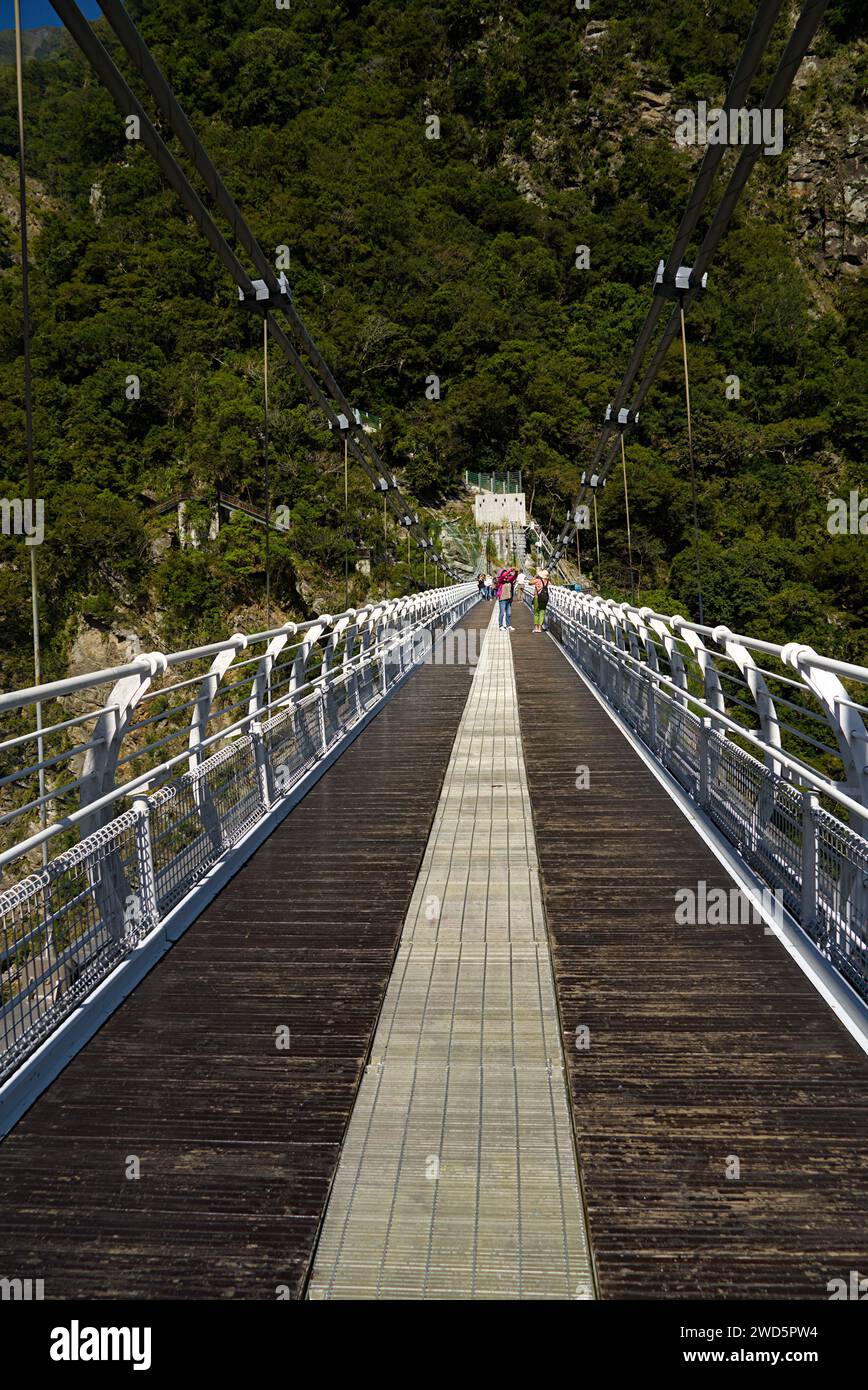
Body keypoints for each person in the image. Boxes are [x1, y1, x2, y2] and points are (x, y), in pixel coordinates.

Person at [496, 564, 518, 631]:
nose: (507, 575)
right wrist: (510, 569)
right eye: (506, 574)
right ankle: (500, 626)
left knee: (508, 613)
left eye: (507, 574)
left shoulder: (509, 580)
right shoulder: (500, 580)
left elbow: (514, 577)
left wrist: (516, 572)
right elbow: (502, 576)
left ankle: (508, 625)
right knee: (502, 613)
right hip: (502, 599)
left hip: (508, 599)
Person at [532, 569, 550, 633]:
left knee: (536, 613)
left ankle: (536, 628)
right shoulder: (548, 581)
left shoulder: (538, 580)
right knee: (542, 612)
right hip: (545, 598)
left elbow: (529, 582)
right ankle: (540, 628)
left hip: (537, 597)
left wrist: (535, 576)